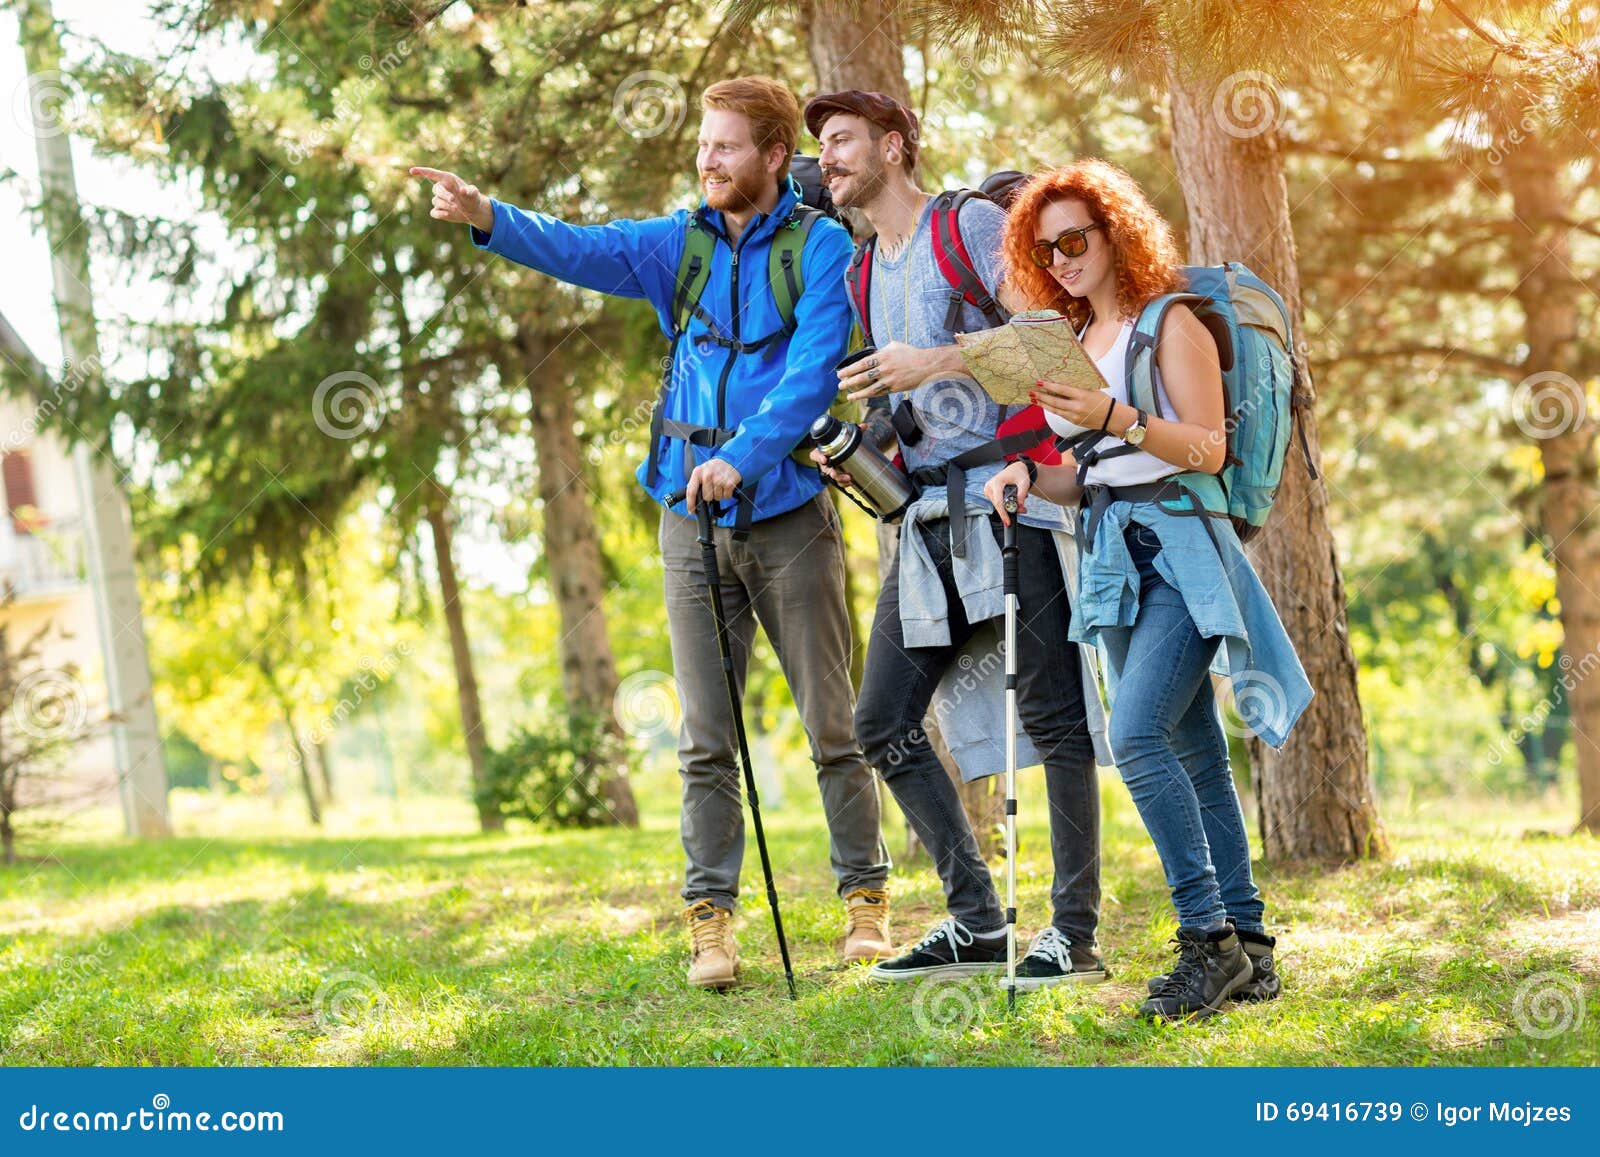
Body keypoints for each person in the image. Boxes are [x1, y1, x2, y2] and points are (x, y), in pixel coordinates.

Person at [411, 76, 893, 992]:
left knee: (834, 723)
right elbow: (578, 248)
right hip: (686, 518)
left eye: (725, 146)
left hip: (788, 515)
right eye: (702, 145)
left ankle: (864, 901)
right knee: (705, 737)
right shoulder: (678, 243)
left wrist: (743, 457)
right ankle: (710, 923)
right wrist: (487, 215)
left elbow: (811, 374)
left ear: (772, 157)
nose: (706, 160)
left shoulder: (822, 247)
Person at [984, 159, 1313, 1019]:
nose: (1060, 259)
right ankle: (1252, 946)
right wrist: (1026, 471)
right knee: (1195, 746)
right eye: (1043, 247)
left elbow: (1207, 447)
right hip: (1111, 553)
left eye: (1073, 239)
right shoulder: (1067, 339)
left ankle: (1205, 942)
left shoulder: (1172, 322)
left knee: (1133, 735)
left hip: (1182, 547)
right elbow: (1088, 475)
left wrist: (1114, 416)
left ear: (1114, 234)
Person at [805, 90, 1109, 989]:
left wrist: (933, 360)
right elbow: (912, 414)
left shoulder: (969, 224)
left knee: (1056, 719)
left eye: (844, 140)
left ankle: (1074, 934)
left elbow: (1051, 347)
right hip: (928, 519)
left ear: (894, 147)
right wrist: (866, 449)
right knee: (883, 720)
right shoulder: (866, 271)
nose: (828, 158)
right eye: (822, 145)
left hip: (1015, 499)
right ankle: (977, 920)